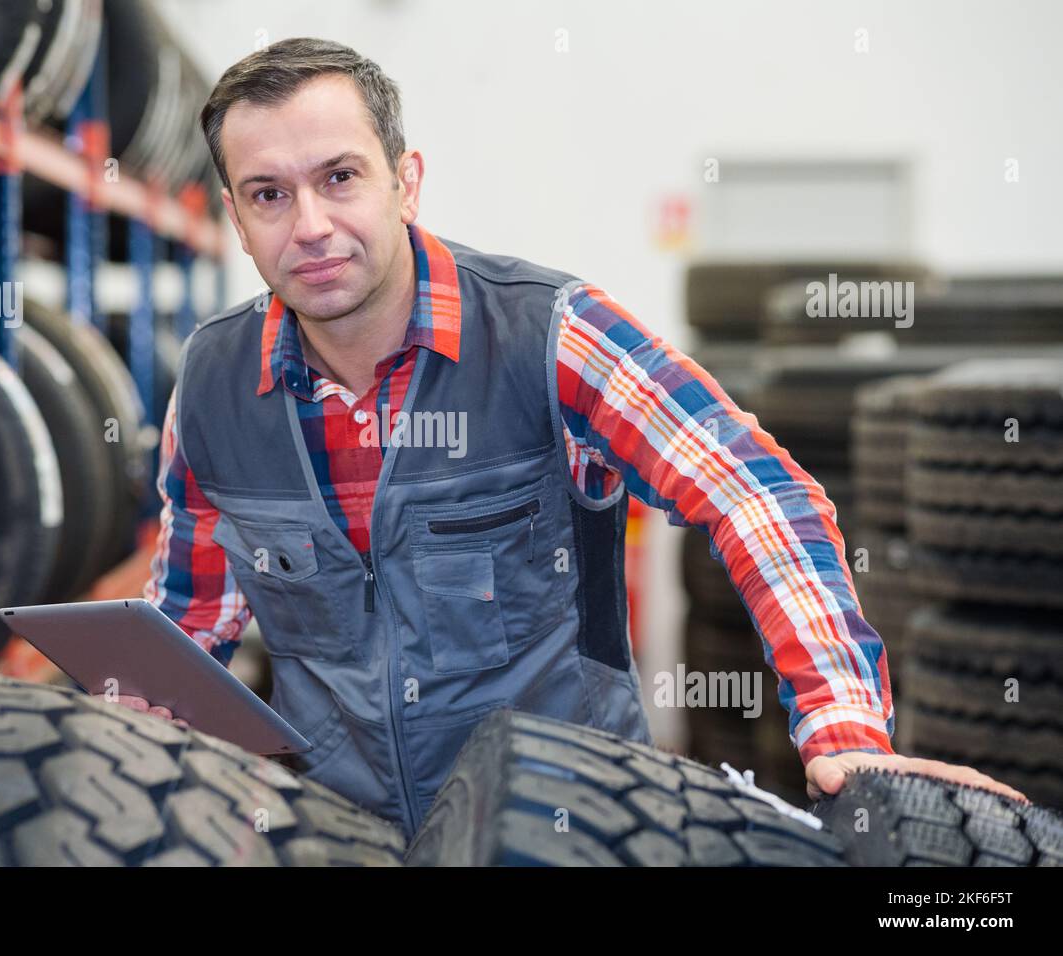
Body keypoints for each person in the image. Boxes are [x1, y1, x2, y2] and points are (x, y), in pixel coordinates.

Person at [119, 37, 1023, 839]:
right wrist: (127, 725)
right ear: (236, 219)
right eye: (269, 194)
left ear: (408, 181)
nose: (310, 226)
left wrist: (846, 735)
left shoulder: (549, 336)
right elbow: (193, 621)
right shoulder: (212, 382)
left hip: (563, 829)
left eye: (340, 177)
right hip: (337, 833)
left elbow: (755, 493)